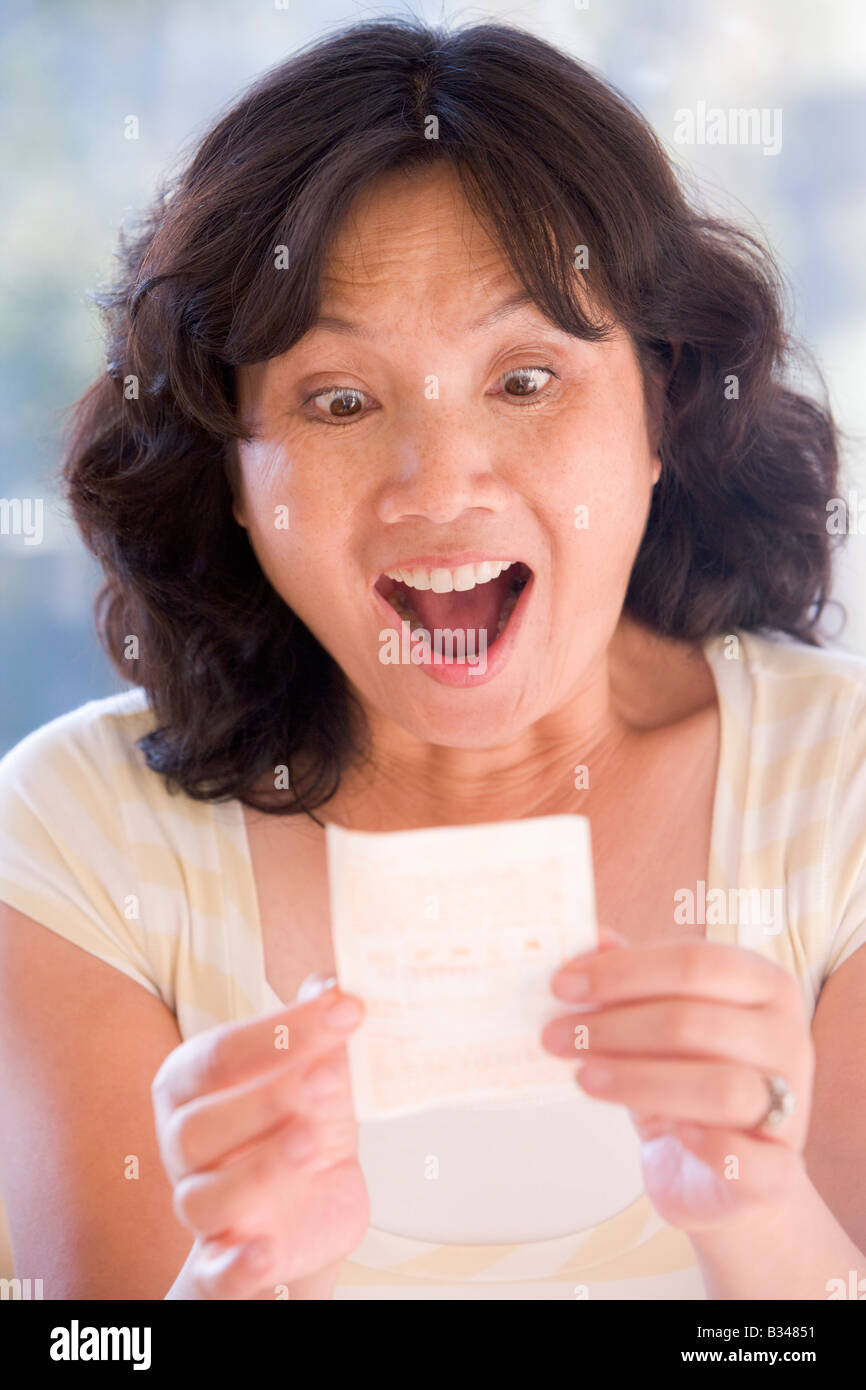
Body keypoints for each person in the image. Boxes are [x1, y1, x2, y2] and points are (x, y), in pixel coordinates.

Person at [0, 17, 864, 1301]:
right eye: (337, 400)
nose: (437, 486)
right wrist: (224, 1284)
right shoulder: (75, 840)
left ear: (659, 414)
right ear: (231, 474)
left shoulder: (836, 789)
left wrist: (756, 1220)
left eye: (524, 379)